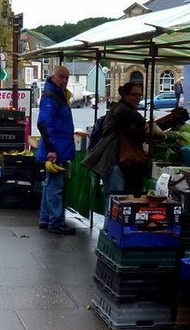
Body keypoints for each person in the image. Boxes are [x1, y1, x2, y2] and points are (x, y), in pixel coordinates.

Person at [83, 81, 149, 216]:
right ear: (124, 95)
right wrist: (143, 123)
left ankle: (116, 230)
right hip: (113, 162)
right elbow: (124, 112)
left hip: (126, 162)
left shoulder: (128, 111)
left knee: (122, 200)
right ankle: (110, 230)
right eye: (134, 95)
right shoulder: (119, 109)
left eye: (140, 95)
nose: (138, 98)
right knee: (115, 199)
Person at [36, 66, 77, 235]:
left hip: (58, 147)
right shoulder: (51, 96)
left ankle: (45, 218)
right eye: (61, 77)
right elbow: (44, 123)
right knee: (55, 186)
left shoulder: (56, 94)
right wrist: (52, 149)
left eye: (67, 77)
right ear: (52, 77)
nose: (64, 80)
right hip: (56, 149)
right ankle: (56, 221)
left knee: (50, 184)